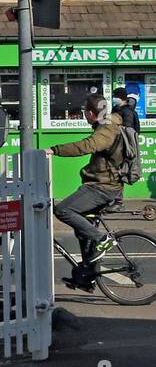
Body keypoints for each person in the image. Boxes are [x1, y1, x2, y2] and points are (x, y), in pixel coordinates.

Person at [50, 93, 125, 291]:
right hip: (101, 184)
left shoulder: (107, 128)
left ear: (91, 113)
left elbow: (88, 146)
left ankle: (103, 239)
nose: (84, 115)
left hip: (103, 188)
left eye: (85, 112)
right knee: (83, 232)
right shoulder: (108, 124)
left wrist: (54, 150)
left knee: (63, 210)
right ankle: (87, 277)